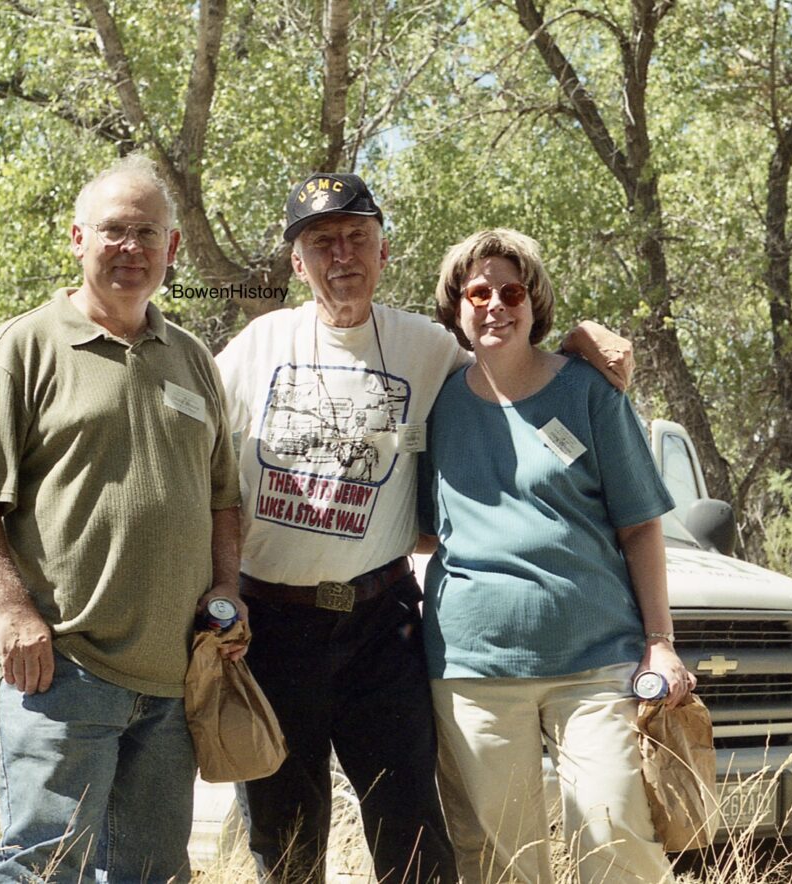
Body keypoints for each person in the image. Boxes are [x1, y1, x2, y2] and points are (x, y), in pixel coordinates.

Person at [215, 173, 634, 884]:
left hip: (381, 628)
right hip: (273, 631)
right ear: (297, 263)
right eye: (322, 243)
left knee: (412, 833)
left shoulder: (427, 350)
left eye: (357, 238)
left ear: (384, 251)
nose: (341, 255)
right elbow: (200, 472)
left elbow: (512, 373)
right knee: (285, 842)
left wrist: (581, 343)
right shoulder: (256, 348)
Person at [0, 154, 245, 884]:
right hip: (63, 671)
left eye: (147, 232)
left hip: (175, 678)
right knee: (44, 867)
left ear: (172, 249)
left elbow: (223, 501)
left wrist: (226, 593)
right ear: (78, 238)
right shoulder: (24, 348)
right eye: (113, 231)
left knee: (155, 873)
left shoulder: (193, 359)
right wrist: (13, 614)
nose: (130, 247)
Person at [418, 228, 695, 884]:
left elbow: (640, 527)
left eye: (510, 291)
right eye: (477, 292)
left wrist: (661, 642)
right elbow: (426, 530)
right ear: (455, 308)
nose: (494, 305)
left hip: (594, 665)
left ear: (533, 301)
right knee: (499, 860)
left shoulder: (590, 392)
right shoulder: (435, 406)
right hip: (471, 670)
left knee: (614, 833)